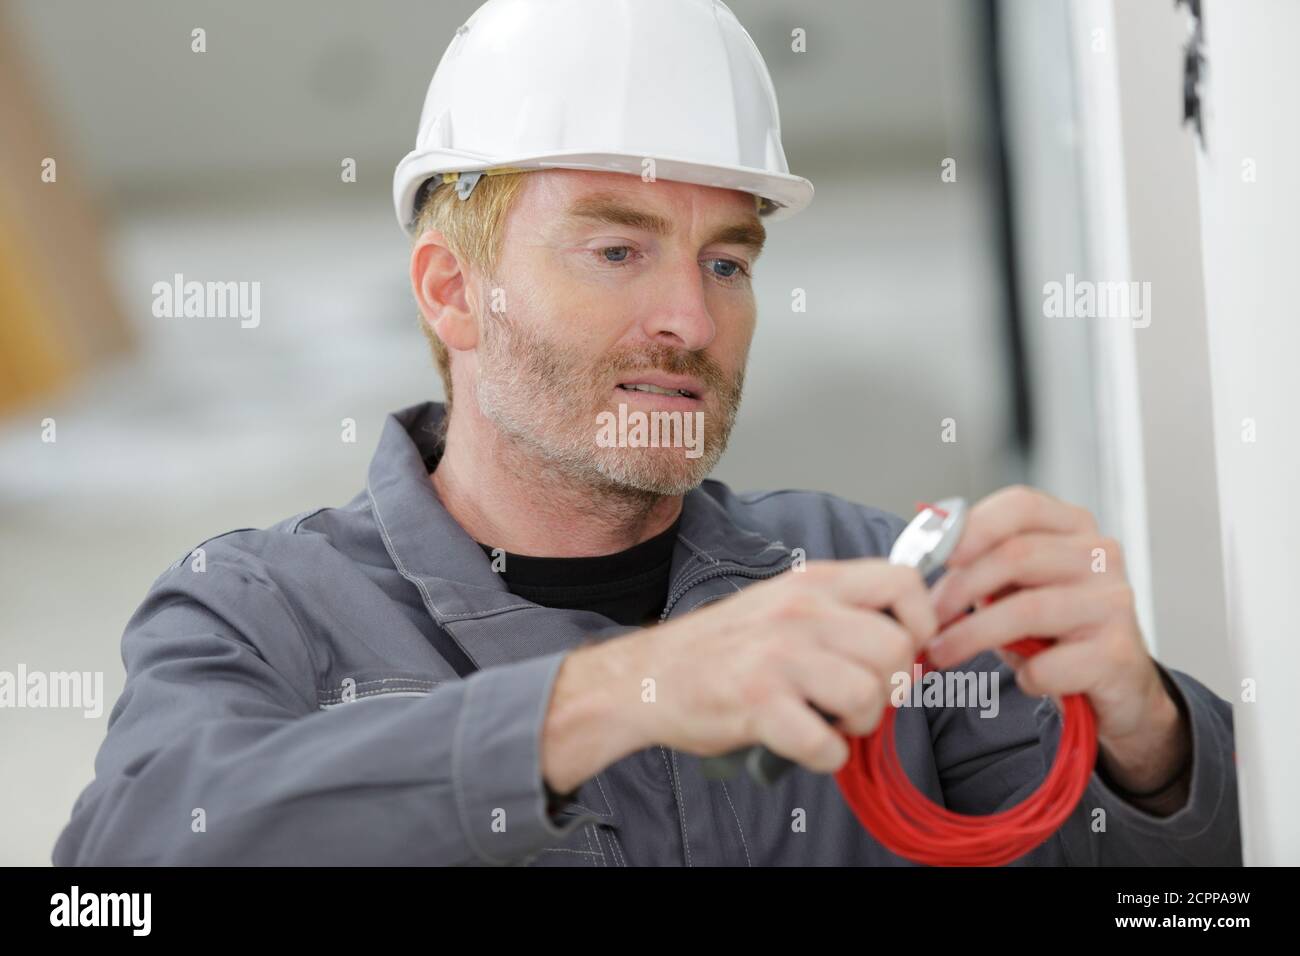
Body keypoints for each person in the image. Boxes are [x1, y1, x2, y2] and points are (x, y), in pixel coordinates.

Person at [53, 0, 1240, 866]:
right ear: (452, 292)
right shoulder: (263, 611)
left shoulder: (875, 588)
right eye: (617, 249)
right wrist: (617, 695)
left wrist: (1150, 740)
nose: (690, 317)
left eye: (727, 259)